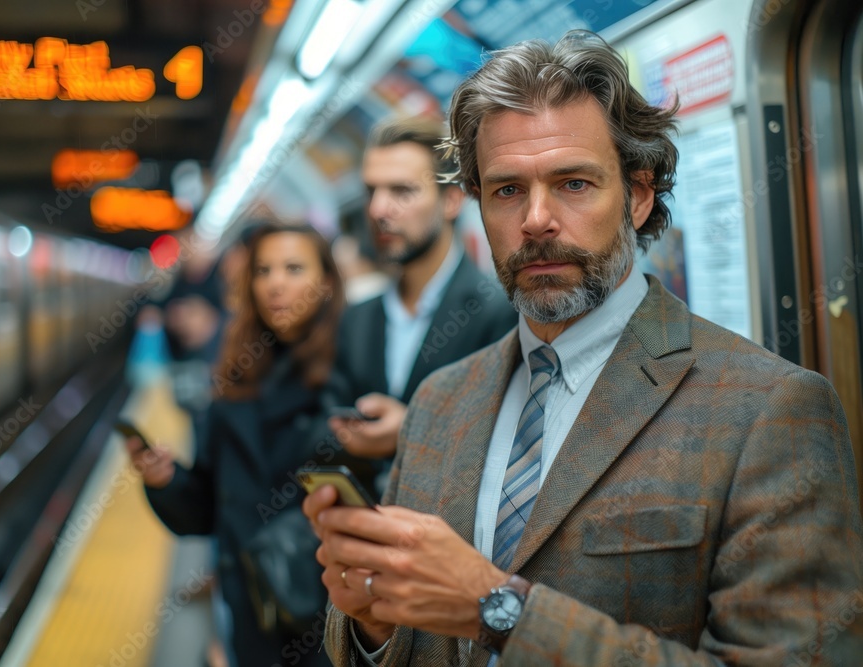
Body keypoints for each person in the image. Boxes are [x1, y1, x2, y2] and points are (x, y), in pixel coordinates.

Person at [305, 31, 863, 666]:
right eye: (507, 190)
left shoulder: (768, 411)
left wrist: (498, 608)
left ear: (639, 195)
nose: (536, 220)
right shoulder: (440, 402)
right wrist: (374, 628)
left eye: (572, 183)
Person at [126, 222, 345, 667]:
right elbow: (208, 506)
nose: (275, 283)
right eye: (263, 270)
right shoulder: (236, 368)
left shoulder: (354, 363)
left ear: (326, 282)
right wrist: (166, 480)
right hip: (251, 610)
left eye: (294, 268)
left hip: (329, 609)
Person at [330, 117, 516, 472]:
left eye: (401, 191)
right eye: (372, 191)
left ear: (450, 201)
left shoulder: (497, 312)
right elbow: (322, 425)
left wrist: (412, 431)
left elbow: (506, 442)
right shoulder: (356, 318)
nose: (378, 210)